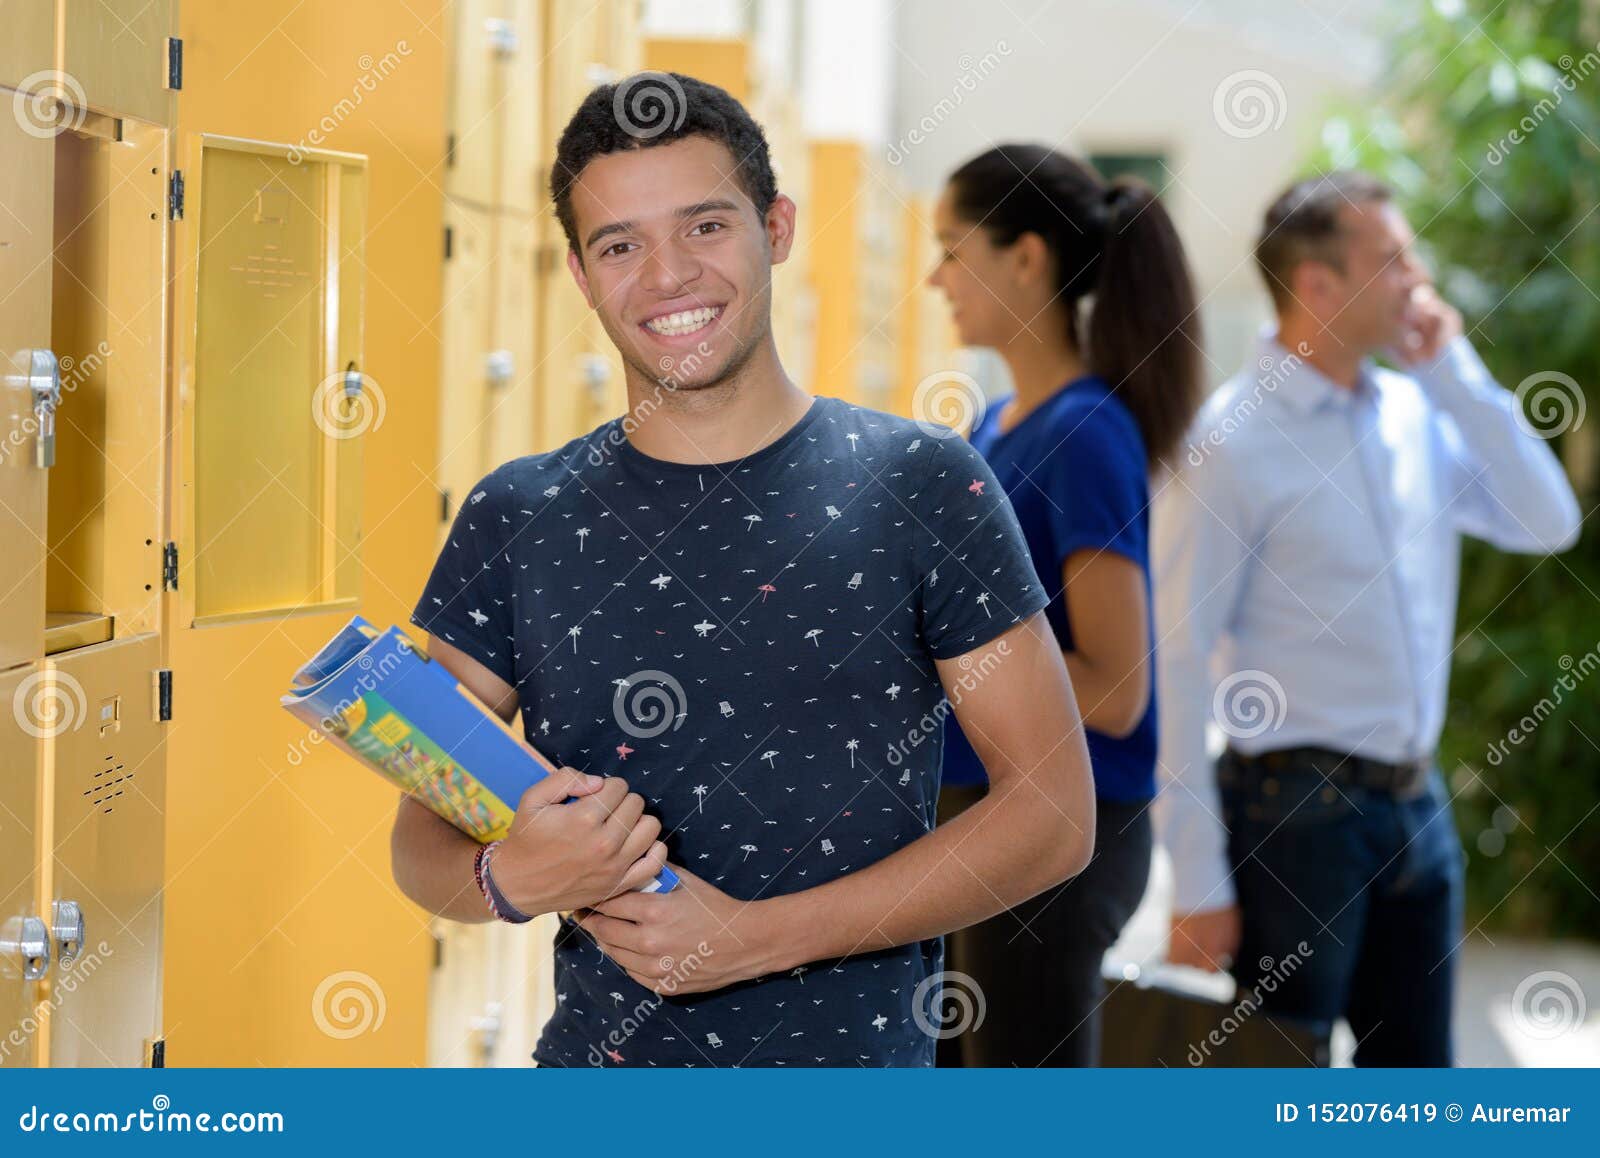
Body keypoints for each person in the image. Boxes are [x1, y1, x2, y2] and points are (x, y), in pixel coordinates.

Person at [392, 73, 1096, 1068]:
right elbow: (421, 841)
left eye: (706, 226)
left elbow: (1053, 815)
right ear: (581, 275)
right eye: (621, 246)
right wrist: (508, 879)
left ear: (777, 227)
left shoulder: (922, 483)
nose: (669, 275)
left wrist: (754, 940)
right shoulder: (518, 515)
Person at [1156, 171, 1580, 1065]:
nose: (1420, 279)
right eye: (1393, 259)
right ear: (1318, 284)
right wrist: (1195, 879)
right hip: (1292, 819)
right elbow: (1175, 659)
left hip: (1416, 806)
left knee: (1419, 1085)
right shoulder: (1231, 442)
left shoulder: (1414, 412)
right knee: (1280, 1083)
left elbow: (1548, 521)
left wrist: (1455, 375)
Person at [926, 144, 1203, 1066]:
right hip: (979, 821)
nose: (934, 279)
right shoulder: (995, 424)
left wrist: (951, 661)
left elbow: (1117, 689)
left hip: (1053, 836)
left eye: (952, 249)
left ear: (1026, 258)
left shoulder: (1084, 432)